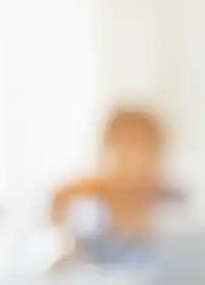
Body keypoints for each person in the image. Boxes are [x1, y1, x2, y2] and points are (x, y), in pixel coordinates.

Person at [50, 106, 183, 266]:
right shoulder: (82, 198)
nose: (133, 157)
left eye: (142, 146)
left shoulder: (173, 205)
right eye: (123, 144)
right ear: (107, 148)